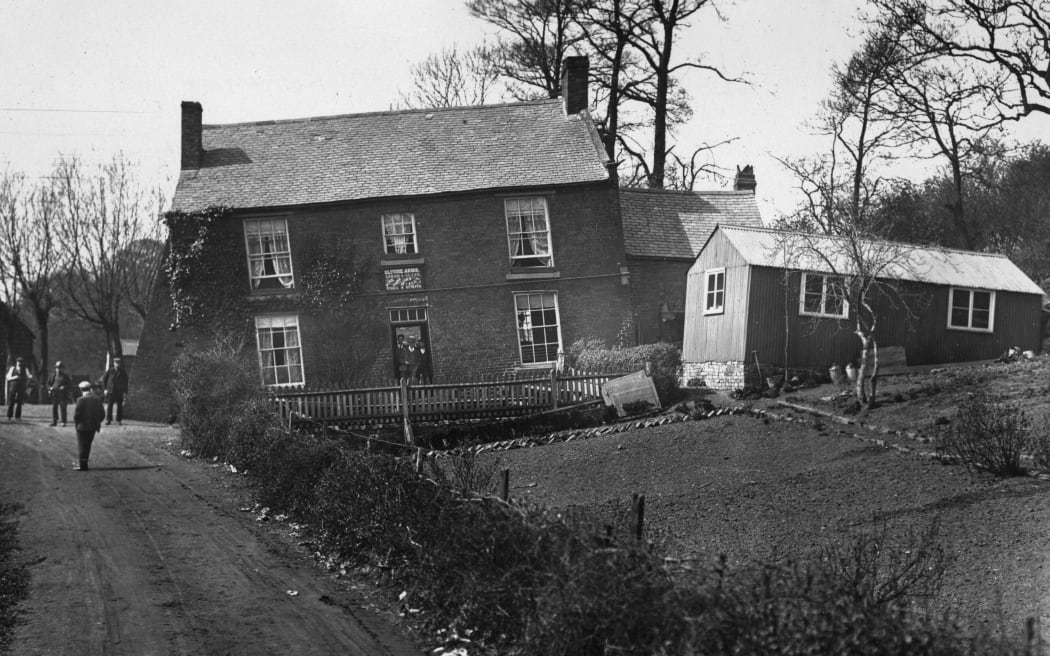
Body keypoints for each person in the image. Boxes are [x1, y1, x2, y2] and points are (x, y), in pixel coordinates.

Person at [73, 381, 105, 471]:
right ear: (89, 389)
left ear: (81, 390)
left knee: (82, 446)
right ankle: (84, 463)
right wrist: (96, 422)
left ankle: (83, 465)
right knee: (87, 445)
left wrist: (77, 424)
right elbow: (102, 414)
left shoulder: (80, 400)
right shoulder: (97, 399)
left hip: (82, 426)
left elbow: (77, 415)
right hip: (93, 427)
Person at [102, 357, 129, 425]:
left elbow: (126, 382)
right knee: (110, 406)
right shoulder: (110, 371)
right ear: (114, 363)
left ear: (120, 364)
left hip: (119, 392)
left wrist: (125, 392)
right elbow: (104, 380)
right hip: (111, 391)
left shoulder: (123, 372)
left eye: (118, 363)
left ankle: (119, 420)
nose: (117, 364)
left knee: (119, 406)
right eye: (116, 363)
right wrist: (105, 389)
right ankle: (108, 420)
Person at [46, 361, 73, 426]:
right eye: (57, 368)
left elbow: (69, 385)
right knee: (54, 407)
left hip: (62, 394)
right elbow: (48, 384)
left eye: (60, 368)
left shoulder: (66, 376)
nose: (58, 369)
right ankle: (54, 421)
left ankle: (63, 421)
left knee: (63, 407)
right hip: (54, 393)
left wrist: (64, 387)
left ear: (62, 368)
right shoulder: (52, 375)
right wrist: (50, 388)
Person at [5, 357, 32, 422]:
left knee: (19, 402)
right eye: (18, 362)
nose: (19, 363)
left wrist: (28, 379)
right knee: (11, 401)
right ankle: (9, 416)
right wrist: (15, 377)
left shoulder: (25, 369)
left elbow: (30, 376)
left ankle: (18, 416)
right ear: (16, 362)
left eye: (21, 362)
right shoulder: (12, 368)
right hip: (13, 386)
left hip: (21, 387)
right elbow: (8, 377)